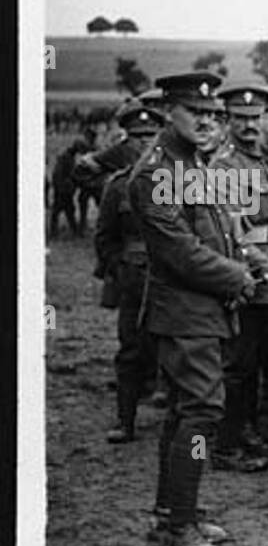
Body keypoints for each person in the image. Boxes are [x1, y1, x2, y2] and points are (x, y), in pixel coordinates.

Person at [128, 71, 267, 546]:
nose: (208, 122)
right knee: (203, 411)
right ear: (170, 112)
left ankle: (172, 512)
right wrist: (238, 278)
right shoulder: (156, 172)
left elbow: (216, 233)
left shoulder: (192, 164)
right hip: (185, 312)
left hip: (200, 310)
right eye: (197, 113)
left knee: (186, 411)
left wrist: (247, 262)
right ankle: (179, 527)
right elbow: (180, 252)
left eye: (213, 115)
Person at [209, 83, 268, 471]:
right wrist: (264, 267)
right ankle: (230, 439)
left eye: (255, 118)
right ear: (227, 121)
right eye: (240, 119)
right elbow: (231, 231)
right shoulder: (223, 168)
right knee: (241, 365)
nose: (248, 126)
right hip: (250, 277)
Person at [92, 102, 167, 443]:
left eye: (151, 136)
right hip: (134, 282)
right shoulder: (118, 186)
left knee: (177, 349)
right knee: (130, 350)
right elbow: (105, 238)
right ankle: (125, 420)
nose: (144, 144)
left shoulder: (180, 180)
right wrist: (119, 270)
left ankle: (178, 424)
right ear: (126, 141)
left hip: (173, 278)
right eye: (137, 138)